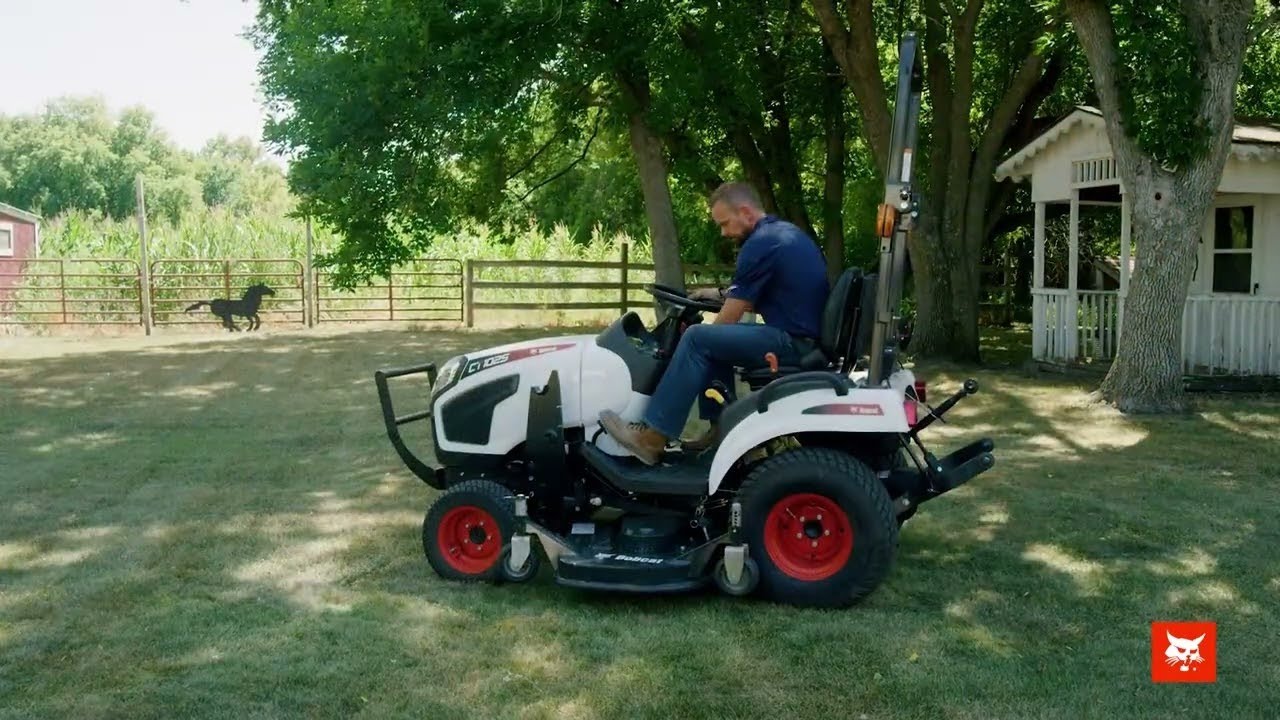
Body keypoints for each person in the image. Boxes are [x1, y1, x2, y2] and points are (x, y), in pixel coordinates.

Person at [599, 182, 830, 465]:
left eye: (725, 224)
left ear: (745, 212)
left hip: (793, 343)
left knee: (699, 339)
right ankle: (721, 426)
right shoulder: (781, 235)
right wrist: (716, 295)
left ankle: (652, 438)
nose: (723, 233)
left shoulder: (760, 244)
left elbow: (729, 317)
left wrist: (697, 333)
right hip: (801, 337)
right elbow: (762, 296)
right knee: (714, 339)